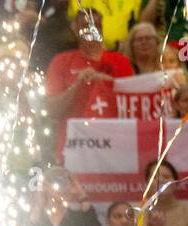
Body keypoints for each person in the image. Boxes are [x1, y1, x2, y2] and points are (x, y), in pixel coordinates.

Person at [45, 9, 134, 145]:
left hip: (115, 146)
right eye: (85, 26)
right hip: (74, 145)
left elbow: (133, 106)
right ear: (75, 30)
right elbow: (51, 111)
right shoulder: (61, 61)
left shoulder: (121, 61)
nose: (91, 29)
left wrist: (109, 83)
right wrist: (77, 85)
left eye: (96, 25)